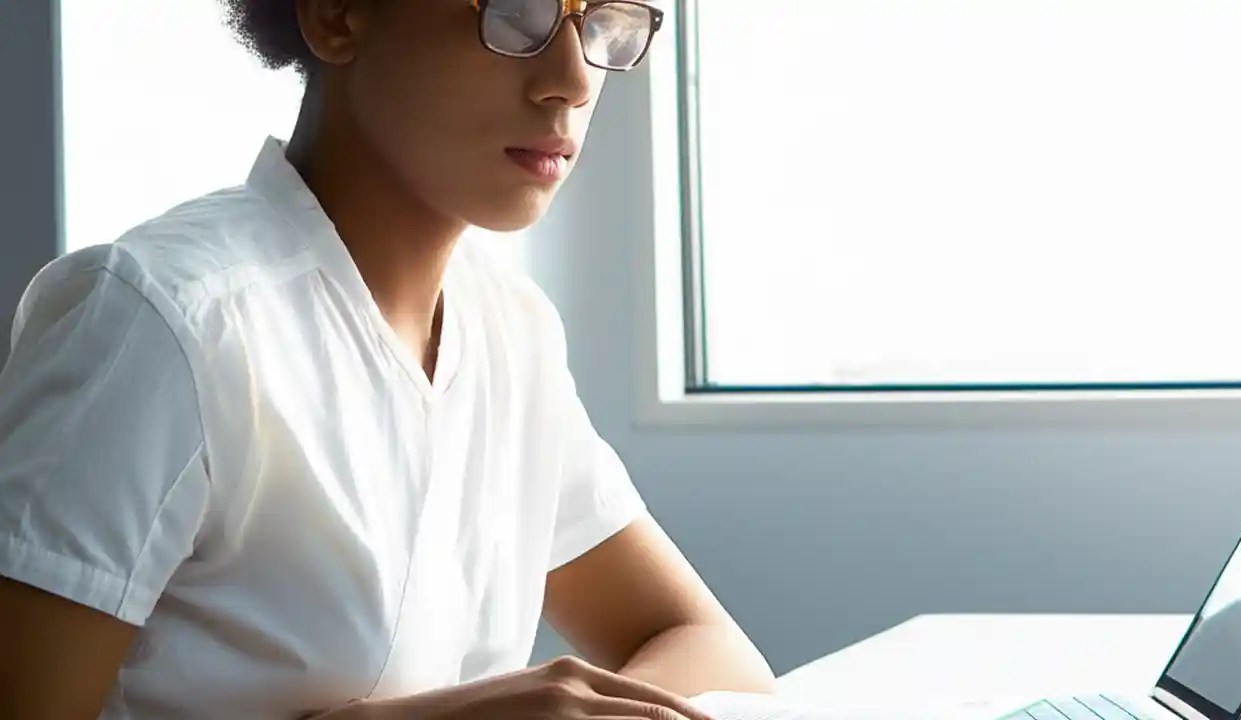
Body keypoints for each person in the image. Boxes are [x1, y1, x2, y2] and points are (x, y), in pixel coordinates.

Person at [0, 1, 776, 718]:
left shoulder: (511, 334)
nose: (572, 81)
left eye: (600, 21)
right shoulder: (163, 320)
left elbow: (716, 654)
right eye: (515, 13)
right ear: (338, 15)